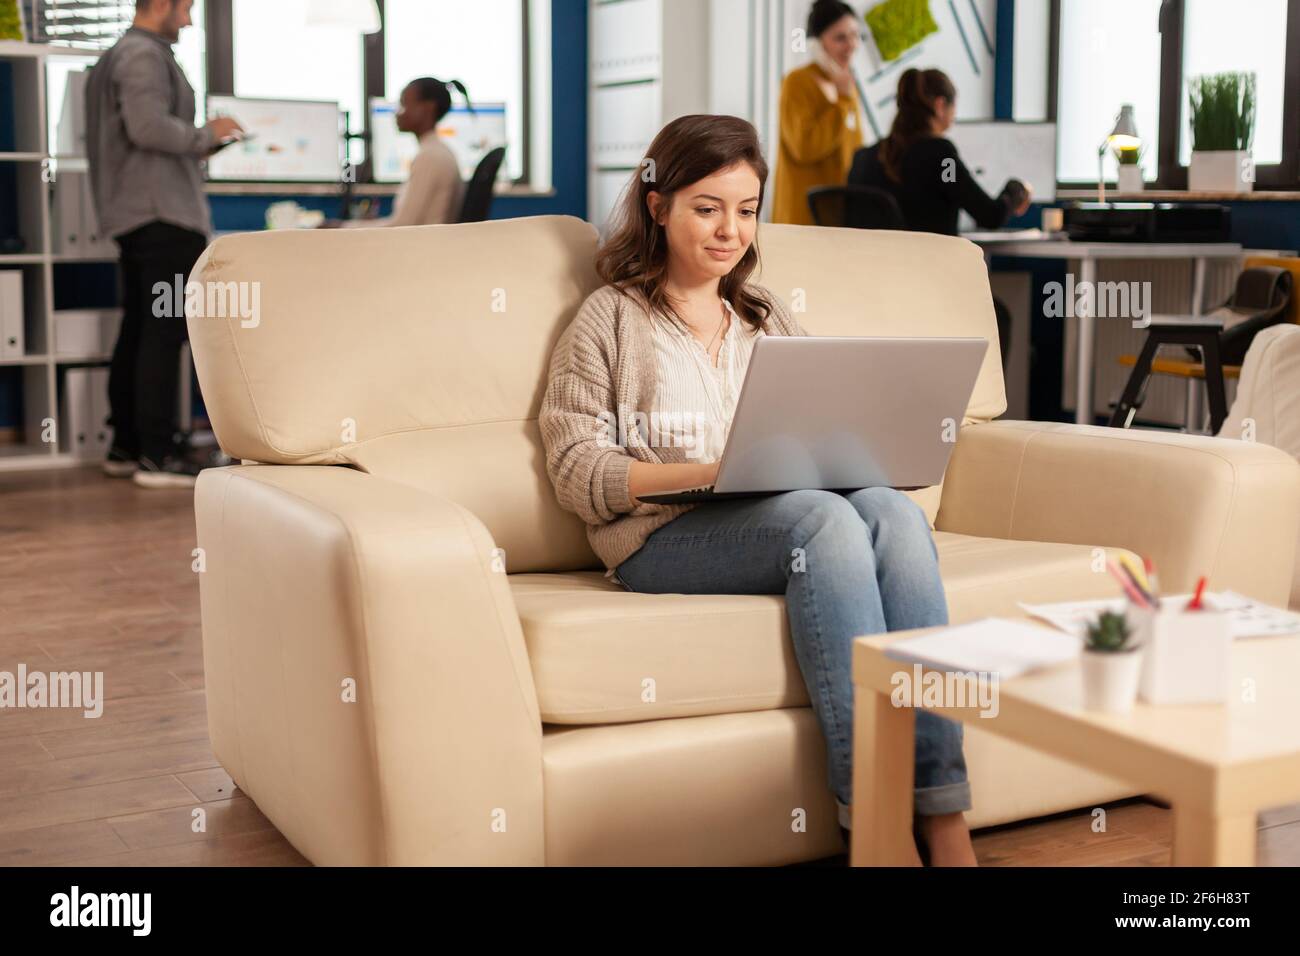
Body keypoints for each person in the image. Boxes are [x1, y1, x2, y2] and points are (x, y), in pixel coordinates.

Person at [539, 114, 978, 866]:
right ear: (658, 204)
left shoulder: (764, 314)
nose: (728, 232)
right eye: (707, 208)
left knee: (892, 515)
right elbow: (578, 471)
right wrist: (705, 473)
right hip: (660, 538)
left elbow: (821, 422)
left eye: (745, 211)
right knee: (824, 523)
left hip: (775, 511)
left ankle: (942, 813)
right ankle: (872, 827)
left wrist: (865, 449)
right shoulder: (608, 319)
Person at [85, 0, 243, 488]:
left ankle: (127, 446)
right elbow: (148, 127)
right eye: (186, 8)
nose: (191, 19)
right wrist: (206, 134)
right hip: (163, 215)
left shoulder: (118, 55)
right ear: (159, 4)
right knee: (163, 331)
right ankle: (157, 455)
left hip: (140, 215)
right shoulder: (143, 55)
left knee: (139, 328)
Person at [848, 68, 1031, 365]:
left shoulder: (865, 158)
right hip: (929, 290)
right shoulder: (939, 154)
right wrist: (1016, 191)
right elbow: (990, 214)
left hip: (871, 290)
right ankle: (982, 408)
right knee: (998, 317)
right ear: (939, 105)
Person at [772, 0, 865, 225]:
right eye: (840, 37)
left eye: (855, 35)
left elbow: (855, 145)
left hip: (840, 211)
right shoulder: (797, 82)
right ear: (816, 42)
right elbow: (803, 147)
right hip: (804, 216)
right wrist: (841, 101)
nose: (851, 44)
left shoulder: (846, 84)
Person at [341, 77, 467, 227]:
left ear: (428, 108)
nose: (397, 113)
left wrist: (342, 227)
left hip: (419, 246)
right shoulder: (438, 151)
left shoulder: (430, 157)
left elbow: (402, 225)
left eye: (404, 104)